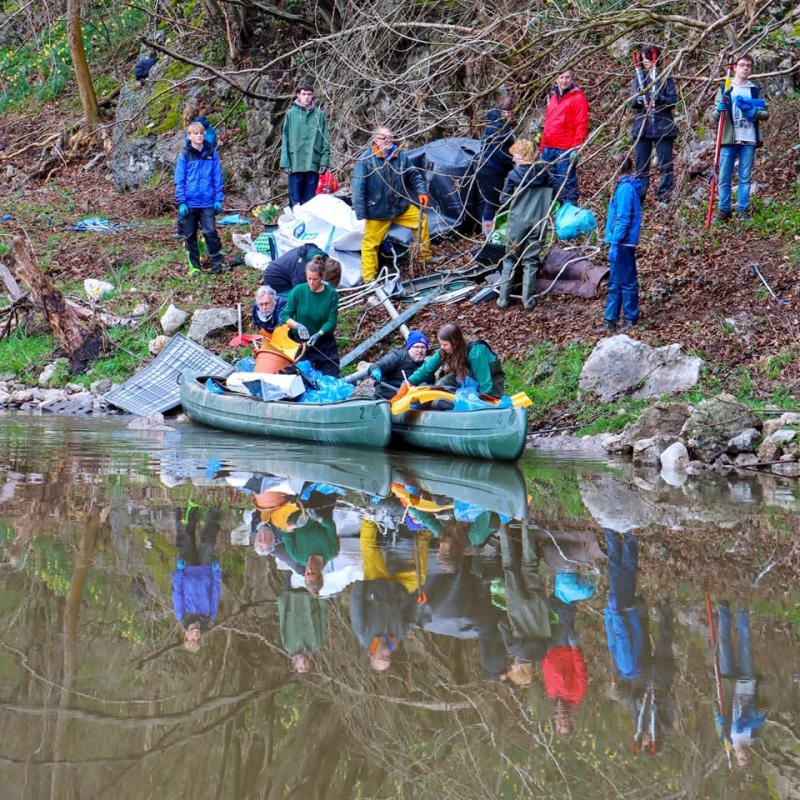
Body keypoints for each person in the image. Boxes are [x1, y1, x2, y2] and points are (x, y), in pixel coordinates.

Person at [351, 125, 431, 282]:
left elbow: (413, 175)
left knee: (421, 221)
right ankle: (369, 279)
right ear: (375, 140)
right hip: (378, 210)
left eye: (390, 137)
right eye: (383, 138)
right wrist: (361, 212)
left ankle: (424, 258)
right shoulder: (365, 160)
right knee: (370, 244)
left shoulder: (399, 155)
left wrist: (422, 192)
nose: (388, 140)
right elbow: (358, 187)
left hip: (399, 206)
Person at [496, 141, 553, 310]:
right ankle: (528, 301)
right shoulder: (545, 174)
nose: (514, 160)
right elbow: (558, 193)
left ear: (523, 156)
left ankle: (503, 300)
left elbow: (503, 200)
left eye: (515, 156)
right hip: (538, 221)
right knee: (531, 261)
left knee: (510, 259)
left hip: (517, 223)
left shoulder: (514, 176)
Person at [714, 53, 769, 221]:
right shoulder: (725, 88)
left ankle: (742, 210)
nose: (745, 68)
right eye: (742, 65)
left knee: (745, 177)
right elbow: (714, 116)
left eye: (748, 66)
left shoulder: (754, 89)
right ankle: (724, 211)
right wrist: (719, 110)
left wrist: (755, 113)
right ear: (735, 67)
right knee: (724, 177)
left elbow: (765, 113)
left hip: (749, 139)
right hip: (728, 138)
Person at [497, 522, 552, 686]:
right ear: (520, 669)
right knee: (509, 565)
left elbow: (554, 629)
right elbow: (502, 624)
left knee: (530, 566)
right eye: (513, 669)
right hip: (517, 606)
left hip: (538, 604)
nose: (512, 666)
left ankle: (525, 522)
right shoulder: (513, 649)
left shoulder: (543, 652)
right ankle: (502, 522)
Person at [629, 45, 678, 205]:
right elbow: (632, 101)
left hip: (663, 127)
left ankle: (664, 196)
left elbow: (672, 101)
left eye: (648, 58)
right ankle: (640, 196)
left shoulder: (665, 78)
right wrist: (637, 100)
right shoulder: (638, 79)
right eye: (643, 59)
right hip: (642, 128)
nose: (645, 62)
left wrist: (660, 99)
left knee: (666, 165)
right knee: (641, 166)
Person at [175, 120, 225, 275]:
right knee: (190, 235)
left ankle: (217, 263)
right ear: (189, 136)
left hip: (208, 201)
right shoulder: (184, 155)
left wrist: (218, 198)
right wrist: (181, 201)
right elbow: (179, 180)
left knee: (210, 232)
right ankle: (194, 266)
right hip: (190, 203)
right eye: (195, 133)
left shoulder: (211, 153)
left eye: (201, 133)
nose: (199, 136)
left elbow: (217, 177)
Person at [171, 503, 222, 652]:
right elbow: (215, 592)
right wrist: (216, 573)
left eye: (192, 638)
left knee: (187, 538)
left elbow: (177, 591)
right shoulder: (209, 616)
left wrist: (179, 571)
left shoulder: (182, 615)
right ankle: (214, 510)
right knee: (209, 542)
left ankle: (191, 508)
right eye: (198, 639)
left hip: (188, 570)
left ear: (185, 635)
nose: (196, 636)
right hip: (206, 571)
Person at [407, 322, 505, 398]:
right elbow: (426, 370)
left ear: (455, 342)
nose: (442, 347)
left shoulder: (475, 352)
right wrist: (409, 382)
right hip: (466, 380)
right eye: (441, 344)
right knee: (440, 385)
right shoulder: (444, 350)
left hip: (490, 385)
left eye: (445, 345)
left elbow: (485, 385)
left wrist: (481, 403)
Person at [280, 259, 340, 377]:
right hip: (300, 343)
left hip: (323, 342)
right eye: (309, 278)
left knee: (331, 377)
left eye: (315, 279)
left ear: (322, 277)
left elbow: (331, 321)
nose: (311, 283)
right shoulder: (298, 291)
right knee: (299, 377)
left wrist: (319, 334)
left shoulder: (331, 294)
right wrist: (297, 326)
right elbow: (285, 316)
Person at [603, 154, 642, 333]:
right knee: (615, 282)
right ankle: (610, 319)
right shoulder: (622, 187)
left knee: (625, 281)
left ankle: (630, 317)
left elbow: (623, 219)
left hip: (623, 243)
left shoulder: (625, 189)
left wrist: (615, 241)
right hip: (619, 241)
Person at [539, 69, 589, 205]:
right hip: (549, 149)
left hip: (565, 149)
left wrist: (575, 148)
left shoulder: (578, 98)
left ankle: (570, 218)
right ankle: (554, 216)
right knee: (549, 186)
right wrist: (542, 148)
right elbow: (548, 123)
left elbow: (581, 124)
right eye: (561, 77)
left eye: (567, 77)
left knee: (567, 186)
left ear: (572, 79)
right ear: (556, 79)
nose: (564, 80)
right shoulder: (554, 96)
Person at [280, 78, 330, 207]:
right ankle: (295, 225)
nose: (306, 97)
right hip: (295, 162)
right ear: (298, 95)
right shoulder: (291, 114)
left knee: (310, 201)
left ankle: (308, 226)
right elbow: (285, 139)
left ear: (312, 95)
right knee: (295, 199)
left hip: (313, 162)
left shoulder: (320, 115)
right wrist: (285, 161)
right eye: (303, 94)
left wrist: (324, 160)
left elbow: (325, 139)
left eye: (309, 94)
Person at [475, 98, 516, 237]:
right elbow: (500, 154)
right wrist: (513, 161)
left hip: (486, 168)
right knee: (492, 202)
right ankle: (488, 234)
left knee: (488, 202)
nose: (510, 116)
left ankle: (488, 231)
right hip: (490, 170)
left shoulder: (496, 124)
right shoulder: (498, 129)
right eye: (508, 112)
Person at [279, 585, 328, 674]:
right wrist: (322, 597)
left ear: (295, 665)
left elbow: (282, 622)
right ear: (310, 664)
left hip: (292, 596)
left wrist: (283, 601)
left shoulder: (288, 646)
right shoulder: (317, 644)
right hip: (312, 595)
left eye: (301, 668)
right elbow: (322, 619)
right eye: (306, 668)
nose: (304, 665)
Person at [368, 329, 429, 398]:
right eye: (416, 347)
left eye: (423, 347)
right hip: (385, 399)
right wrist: (375, 370)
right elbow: (378, 366)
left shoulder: (426, 367)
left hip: (409, 402)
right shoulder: (397, 356)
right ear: (409, 348)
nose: (420, 350)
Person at [261, 244, 341, 296]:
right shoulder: (303, 272)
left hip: (287, 272)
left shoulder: (321, 257)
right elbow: (300, 293)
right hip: (275, 280)